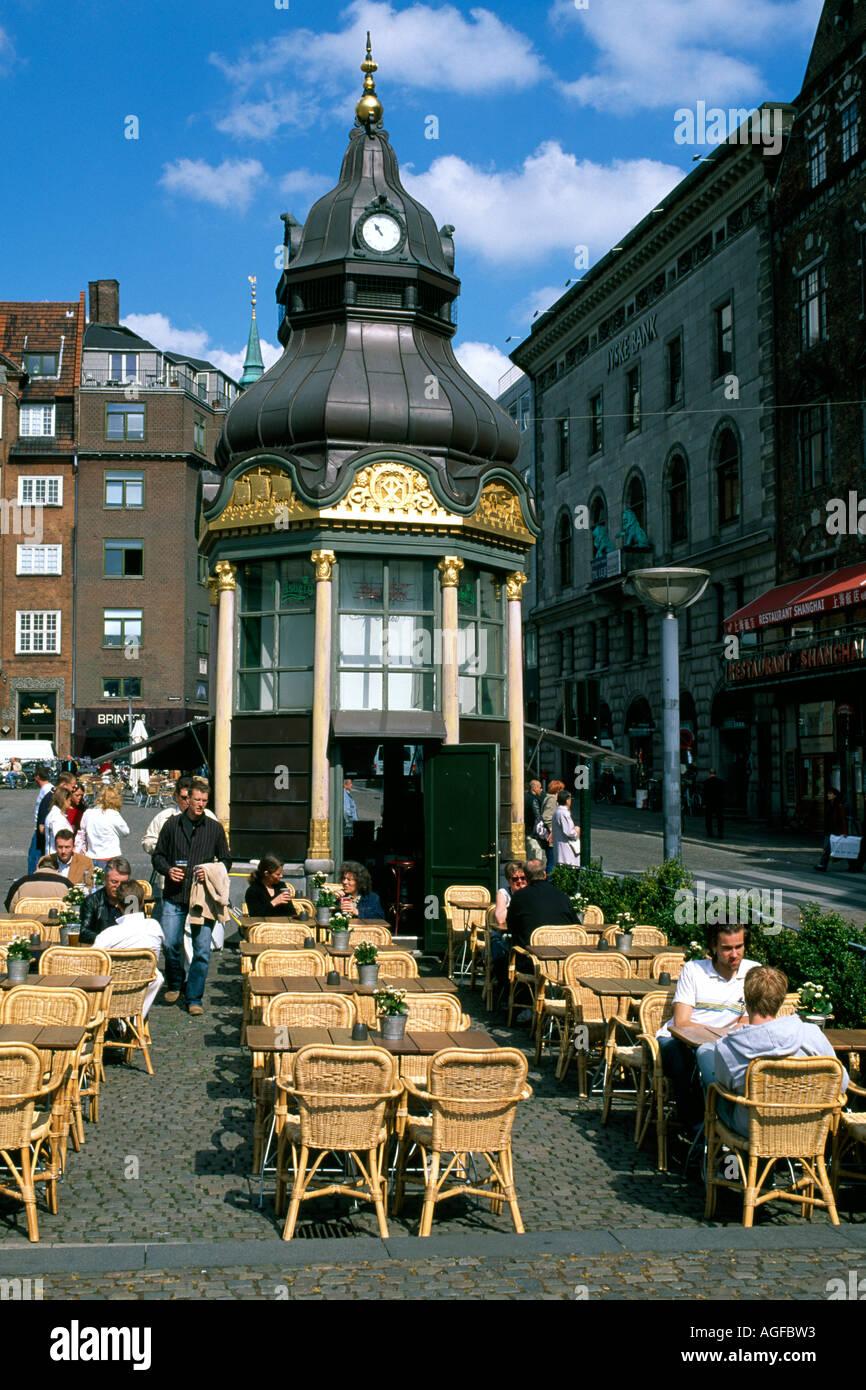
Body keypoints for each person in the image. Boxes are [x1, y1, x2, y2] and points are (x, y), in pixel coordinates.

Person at [696, 965, 848, 1136]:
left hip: (750, 1129)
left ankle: (708, 1144)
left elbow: (724, 1088)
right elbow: (842, 1083)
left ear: (745, 998)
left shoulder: (727, 1048)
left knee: (705, 1054)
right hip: (806, 1127)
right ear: (781, 1000)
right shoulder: (811, 1034)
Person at [656, 923, 759, 1129]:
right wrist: (723, 1035)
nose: (734, 954)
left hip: (722, 1043)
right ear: (713, 947)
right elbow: (682, 1023)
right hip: (678, 1040)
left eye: (739, 947)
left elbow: (750, 1020)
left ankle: (731, 1125)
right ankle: (696, 1127)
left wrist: (722, 1039)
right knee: (680, 1057)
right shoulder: (694, 970)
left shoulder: (753, 972)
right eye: (727, 948)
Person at [152, 778, 232, 1015]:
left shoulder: (214, 828)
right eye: (196, 800)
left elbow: (226, 859)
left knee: (202, 950)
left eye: (204, 801)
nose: (200, 804)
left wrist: (210, 870)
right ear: (186, 799)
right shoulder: (171, 825)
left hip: (202, 898)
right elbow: (158, 856)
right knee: (170, 943)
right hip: (174, 894)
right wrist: (168, 870)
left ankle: (194, 996)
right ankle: (176, 982)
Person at [93, 880, 165, 1018]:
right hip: (143, 990)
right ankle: (135, 1020)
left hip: (113, 993)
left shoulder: (108, 934)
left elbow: (93, 960)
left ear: (117, 904)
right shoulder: (155, 927)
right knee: (157, 976)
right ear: (143, 903)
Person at [141, 776, 217, 909]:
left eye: (190, 797)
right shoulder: (164, 817)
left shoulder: (209, 817)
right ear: (176, 796)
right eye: (184, 798)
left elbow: (220, 849)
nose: (188, 802)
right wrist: (162, 847)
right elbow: (147, 841)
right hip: (172, 884)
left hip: (201, 884)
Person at [505, 859, 577, 952]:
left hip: (530, 956)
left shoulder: (519, 897)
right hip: (561, 954)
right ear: (544, 875)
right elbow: (575, 925)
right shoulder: (562, 895)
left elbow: (511, 927)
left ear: (526, 877)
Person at [79, 857, 132, 944]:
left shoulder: (132, 901)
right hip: (100, 952)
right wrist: (107, 939)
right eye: (114, 882)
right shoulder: (92, 901)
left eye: (123, 883)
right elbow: (83, 931)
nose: (118, 886)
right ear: (105, 879)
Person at [76, 783, 130, 869]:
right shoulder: (113, 814)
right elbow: (126, 831)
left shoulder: (88, 813)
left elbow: (82, 830)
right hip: (110, 857)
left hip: (91, 856)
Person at [814, 786, 848, 872]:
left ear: (835, 795)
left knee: (832, 848)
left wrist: (844, 832)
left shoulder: (839, 805)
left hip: (836, 830)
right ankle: (822, 864)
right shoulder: (829, 804)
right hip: (828, 830)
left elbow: (843, 819)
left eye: (830, 793)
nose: (828, 795)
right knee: (827, 848)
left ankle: (823, 864)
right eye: (828, 793)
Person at [29, 764, 55, 874]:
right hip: (41, 827)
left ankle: (31, 878)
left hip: (41, 829)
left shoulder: (47, 791)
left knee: (34, 857)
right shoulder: (48, 788)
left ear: (37, 777)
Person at [551, 789, 580, 867]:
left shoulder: (558, 811)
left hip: (561, 846)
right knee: (568, 868)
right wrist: (576, 832)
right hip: (566, 849)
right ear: (567, 800)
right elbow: (569, 831)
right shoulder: (563, 813)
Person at [44, 785, 74, 855]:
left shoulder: (58, 815)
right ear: (64, 799)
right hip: (56, 857)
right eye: (69, 800)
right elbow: (61, 839)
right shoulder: (56, 817)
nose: (70, 802)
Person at [541, 779, 564, 870]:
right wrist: (552, 829)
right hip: (551, 837)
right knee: (552, 862)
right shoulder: (552, 799)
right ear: (557, 790)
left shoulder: (549, 798)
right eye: (561, 790)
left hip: (551, 837)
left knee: (552, 861)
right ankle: (549, 882)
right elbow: (546, 817)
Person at [702, 768, 726, 839]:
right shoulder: (720, 782)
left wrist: (703, 804)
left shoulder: (706, 782)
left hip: (709, 803)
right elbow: (723, 793)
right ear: (715, 773)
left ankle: (710, 833)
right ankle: (720, 833)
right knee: (720, 819)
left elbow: (704, 794)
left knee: (708, 819)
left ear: (709, 773)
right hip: (718, 802)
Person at [524, 778, 544, 860]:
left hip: (528, 831)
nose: (541, 790)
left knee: (531, 855)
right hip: (533, 833)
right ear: (534, 788)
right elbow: (537, 817)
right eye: (540, 787)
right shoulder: (533, 800)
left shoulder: (526, 797)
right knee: (536, 856)